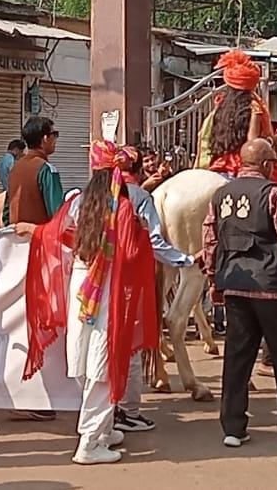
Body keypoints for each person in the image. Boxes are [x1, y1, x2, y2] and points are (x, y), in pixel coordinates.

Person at [24, 140, 159, 465]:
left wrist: (32, 230)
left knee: (85, 357)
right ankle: (89, 442)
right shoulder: (123, 208)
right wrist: (140, 234)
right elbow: (129, 252)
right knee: (103, 363)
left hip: (82, 286)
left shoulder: (79, 202)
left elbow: (60, 235)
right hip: (107, 289)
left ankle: (102, 428)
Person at [202, 138, 277, 451]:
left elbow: (210, 241)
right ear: (269, 165)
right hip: (270, 289)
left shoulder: (220, 195)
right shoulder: (274, 194)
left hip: (235, 287)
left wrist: (214, 281)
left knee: (236, 359)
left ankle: (233, 428)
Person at [117, 148, 193, 433]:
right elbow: (155, 241)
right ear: (137, 170)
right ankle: (129, 411)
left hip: (94, 284)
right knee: (132, 345)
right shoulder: (137, 196)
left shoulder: (85, 196)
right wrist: (185, 259)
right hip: (131, 278)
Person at [195, 49, 272, 175]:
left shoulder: (220, 106)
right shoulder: (254, 107)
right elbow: (252, 143)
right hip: (241, 165)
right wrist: (276, 140)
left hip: (217, 163)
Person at [5, 116, 65, 226]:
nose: (55, 139)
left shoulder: (16, 168)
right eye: (54, 134)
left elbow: (7, 211)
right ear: (45, 138)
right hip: (38, 238)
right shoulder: (46, 170)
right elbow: (57, 214)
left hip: (15, 238)